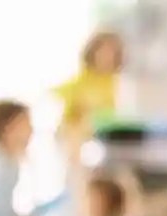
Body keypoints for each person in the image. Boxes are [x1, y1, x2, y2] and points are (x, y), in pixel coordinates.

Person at [53, 30, 125, 164]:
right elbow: (68, 117)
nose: (107, 57)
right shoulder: (79, 83)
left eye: (111, 52)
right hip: (79, 141)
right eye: (103, 51)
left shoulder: (120, 84)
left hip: (110, 141)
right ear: (93, 52)